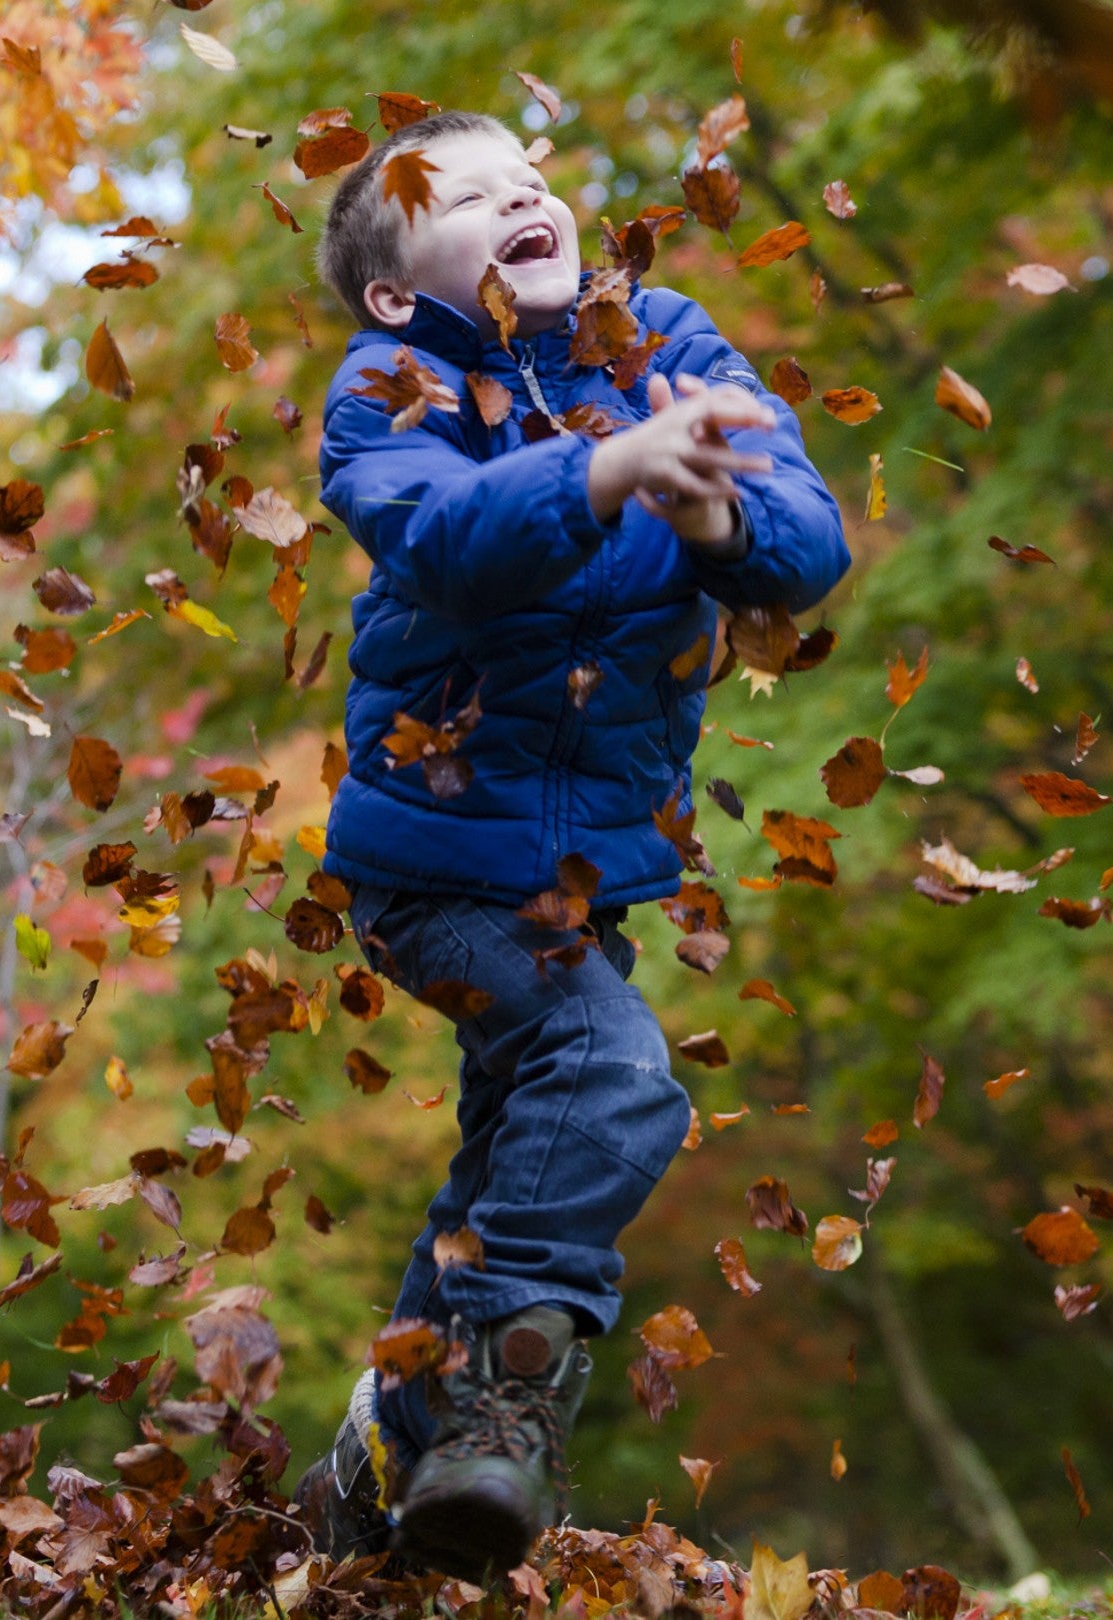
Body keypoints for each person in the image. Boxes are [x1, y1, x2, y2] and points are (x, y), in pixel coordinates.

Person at [289, 111, 849, 1579]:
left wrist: (719, 515)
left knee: (508, 1162)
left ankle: (373, 1454)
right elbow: (449, 545)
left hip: (578, 882)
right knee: (608, 1075)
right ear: (399, 291)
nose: (521, 196)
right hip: (433, 871)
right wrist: (603, 475)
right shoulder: (389, 387)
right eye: (467, 197)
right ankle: (499, 1414)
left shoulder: (665, 344)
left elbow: (808, 542)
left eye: (529, 181)